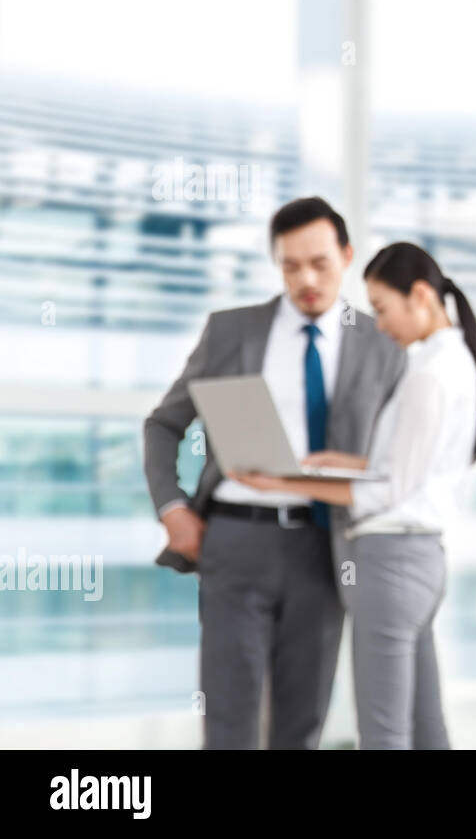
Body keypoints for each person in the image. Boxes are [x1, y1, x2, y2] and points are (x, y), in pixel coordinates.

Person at [143, 196, 406, 749]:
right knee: (230, 722)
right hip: (235, 540)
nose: (306, 279)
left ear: (347, 256)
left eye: (320, 264)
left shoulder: (381, 342)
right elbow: (164, 425)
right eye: (290, 266)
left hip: (326, 548)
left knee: (301, 723)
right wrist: (174, 510)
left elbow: (395, 457)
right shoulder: (231, 332)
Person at [230, 241, 476, 749]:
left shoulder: (429, 374)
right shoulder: (453, 363)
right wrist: (334, 462)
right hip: (419, 559)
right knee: (424, 727)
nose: (379, 324)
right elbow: (405, 470)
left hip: (390, 563)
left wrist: (283, 482)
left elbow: (386, 492)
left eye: (381, 309)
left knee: (382, 734)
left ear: (419, 295)